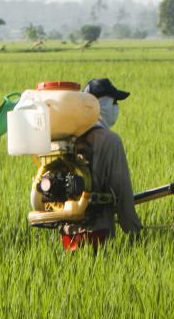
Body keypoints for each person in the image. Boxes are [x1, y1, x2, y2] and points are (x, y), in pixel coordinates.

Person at [59, 78, 142, 251]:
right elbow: (122, 190)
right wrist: (134, 231)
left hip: (67, 232)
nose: (116, 107)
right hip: (98, 232)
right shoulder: (110, 141)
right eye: (114, 102)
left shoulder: (66, 137)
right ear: (101, 104)